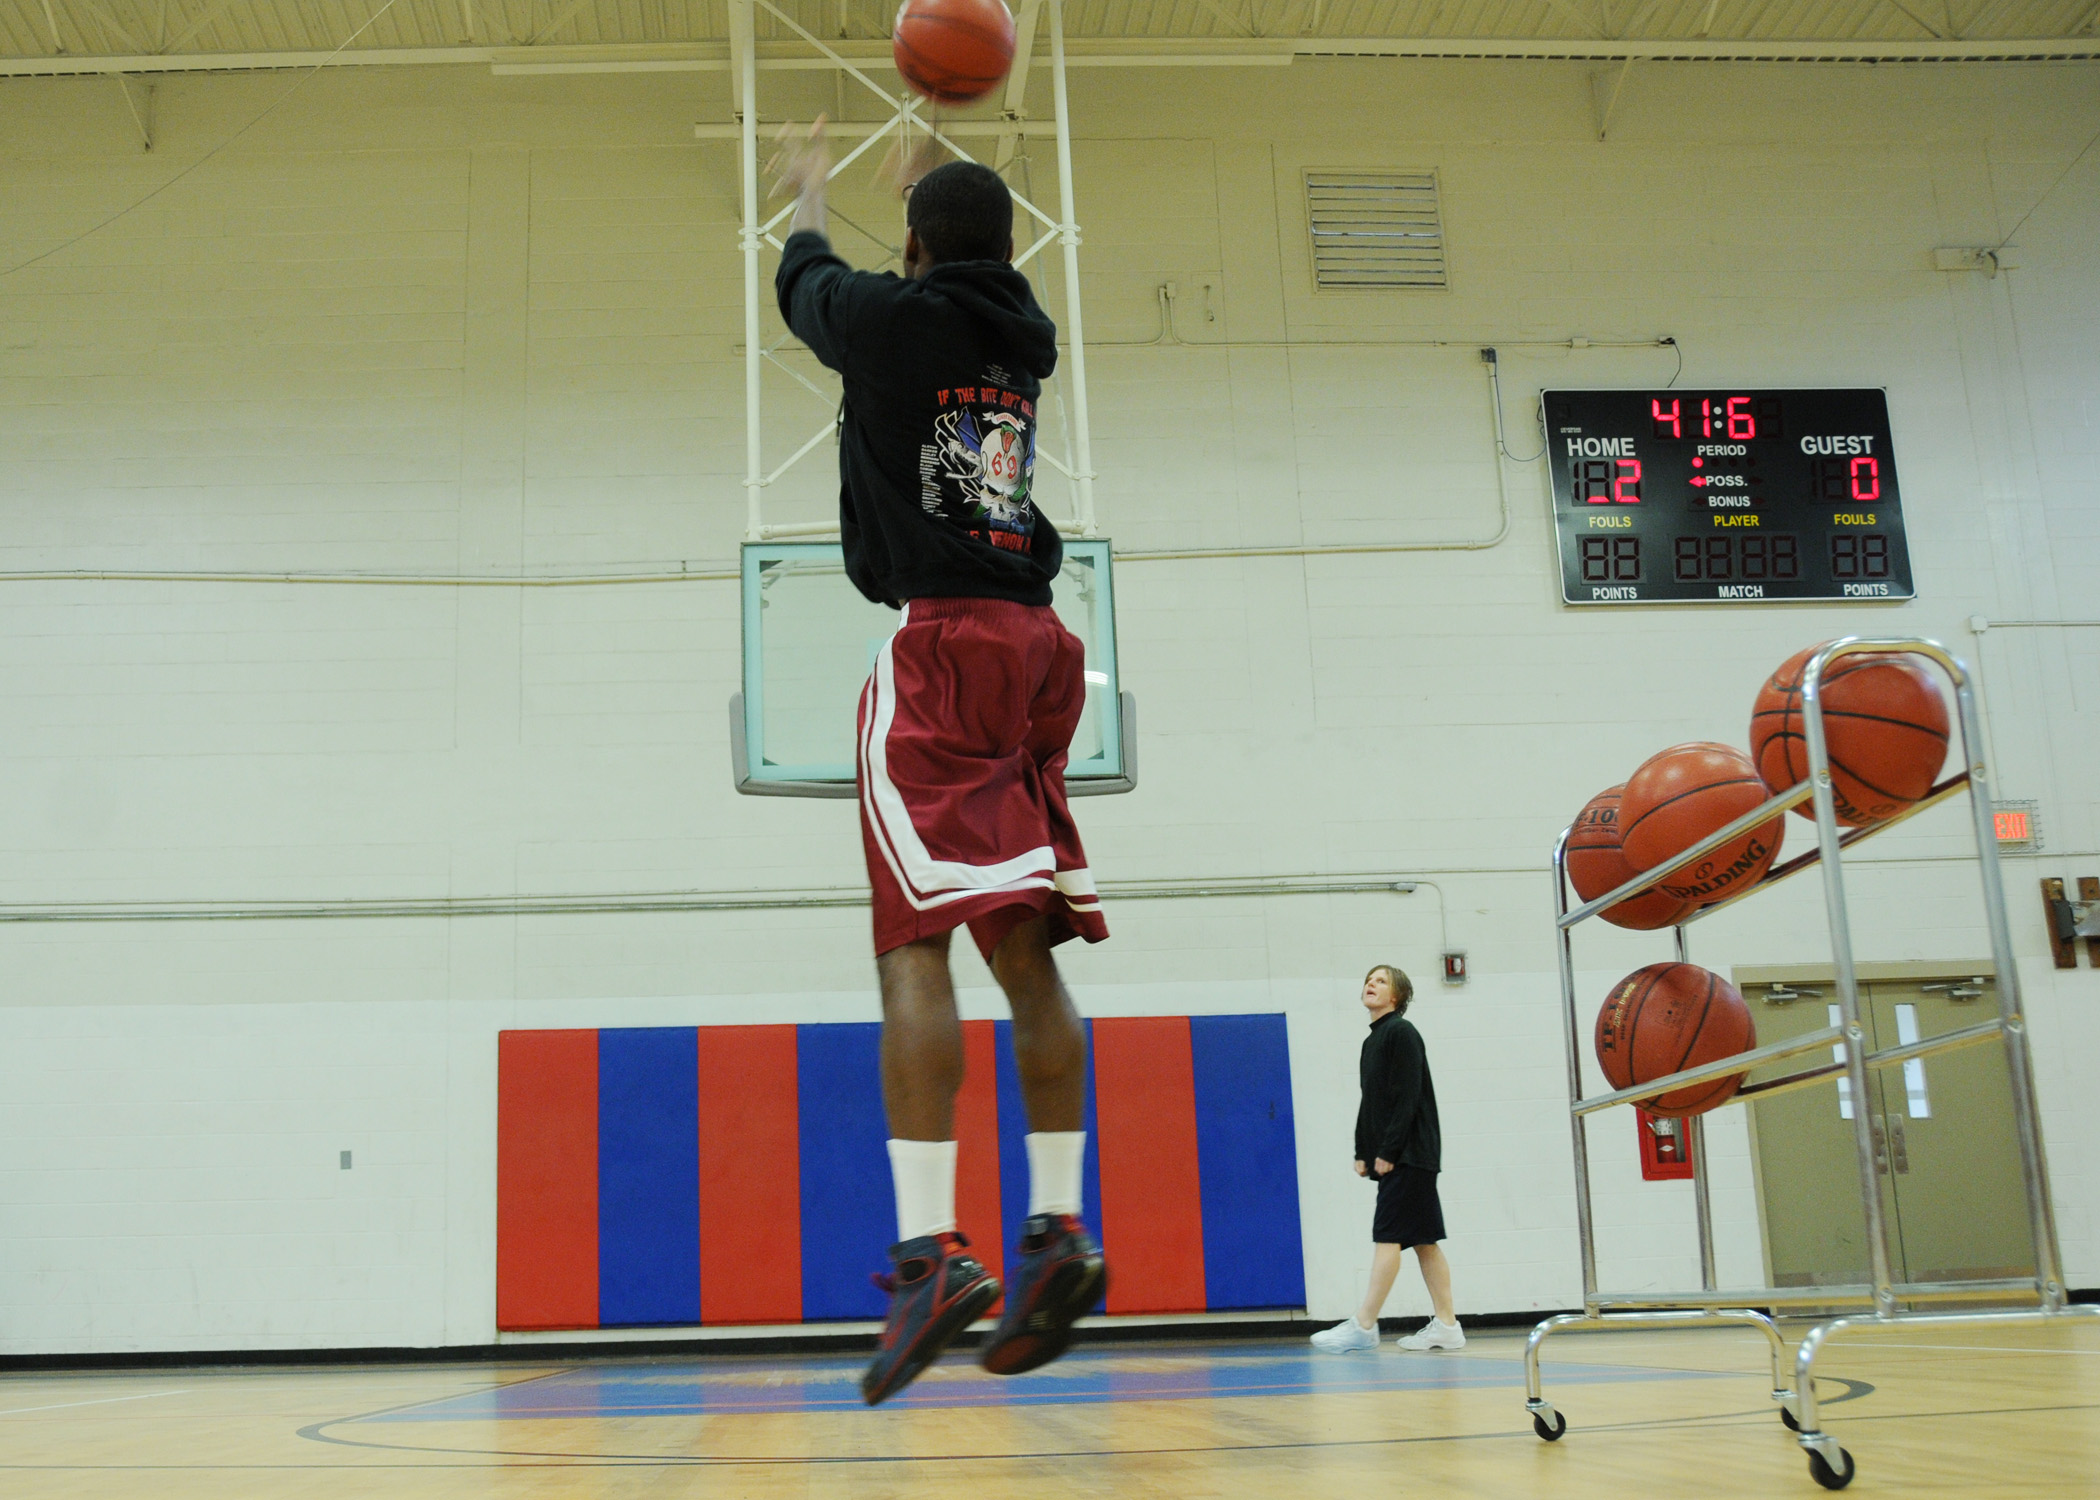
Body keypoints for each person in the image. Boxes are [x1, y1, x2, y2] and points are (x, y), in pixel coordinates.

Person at [768, 121, 1110, 1407]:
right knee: (1021, 948)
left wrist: (810, 198)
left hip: (947, 649)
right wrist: (940, 184)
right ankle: (1059, 1230)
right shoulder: (1022, 335)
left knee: (912, 944)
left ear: (915, 248)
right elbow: (947, 266)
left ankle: (930, 1255)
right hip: (1038, 649)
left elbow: (808, 289)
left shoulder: (897, 323)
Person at [1311, 964, 1463, 1353]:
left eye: (1380, 981)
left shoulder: (1402, 1032)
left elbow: (1408, 1096)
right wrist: (1363, 1150)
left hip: (1410, 1155)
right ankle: (1447, 1325)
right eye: (1368, 980)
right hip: (1405, 1155)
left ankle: (1363, 1325)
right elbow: (1373, 1101)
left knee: (1388, 1235)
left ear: (1396, 996)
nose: (1371, 985)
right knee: (1424, 1240)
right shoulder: (1373, 1040)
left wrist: (1389, 1151)